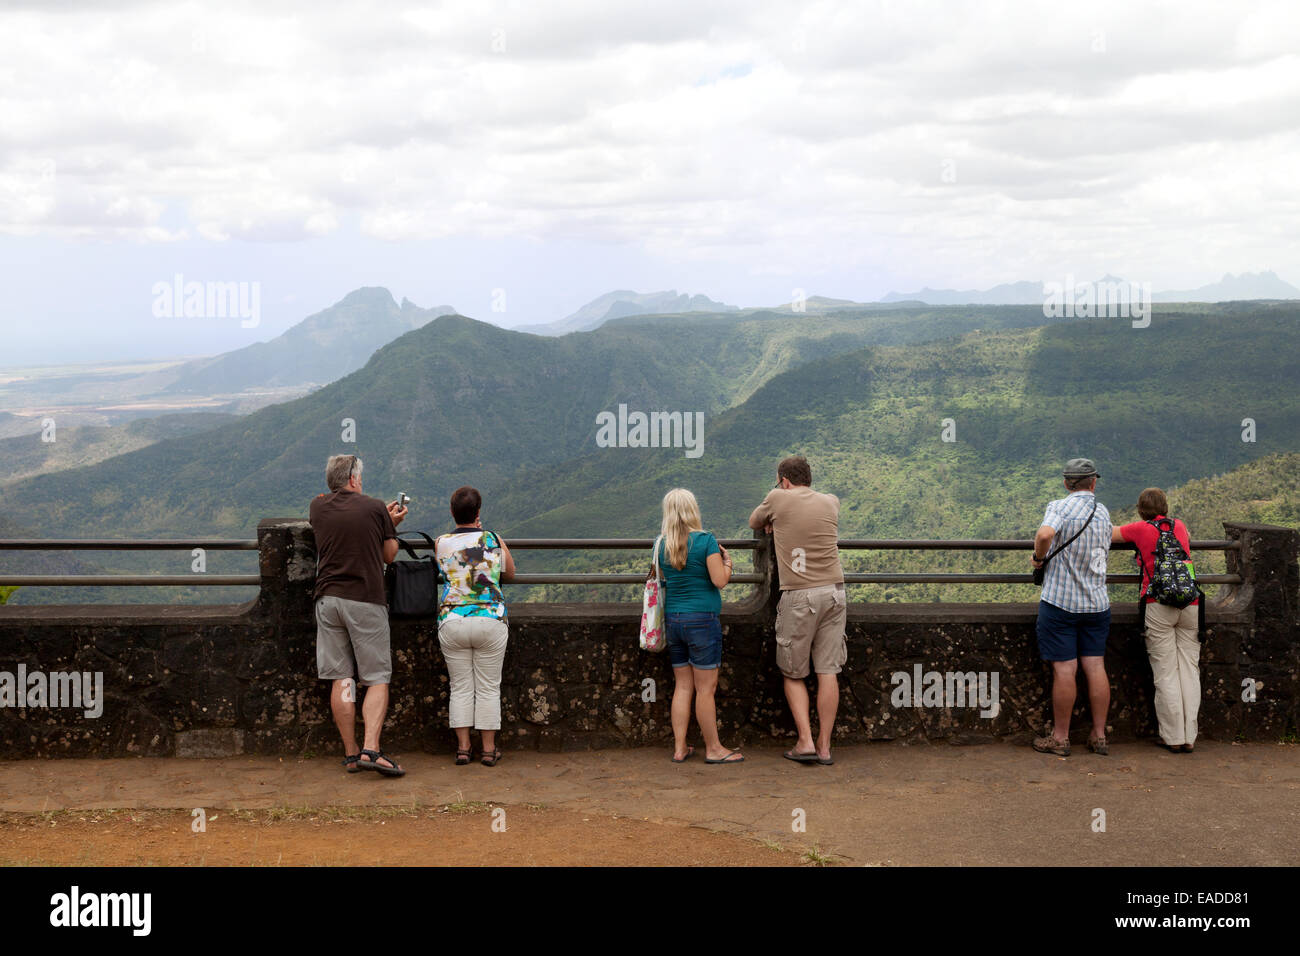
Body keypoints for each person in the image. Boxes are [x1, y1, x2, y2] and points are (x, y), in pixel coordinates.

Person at [309, 453, 408, 777]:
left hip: (328, 600)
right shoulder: (375, 507)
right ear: (353, 479)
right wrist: (388, 525)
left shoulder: (317, 507)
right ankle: (371, 749)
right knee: (376, 677)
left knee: (343, 677)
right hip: (364, 599)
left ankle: (351, 754)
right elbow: (389, 555)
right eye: (360, 478)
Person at [748, 455, 845, 766]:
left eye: (780, 483)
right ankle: (825, 746)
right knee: (828, 670)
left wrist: (774, 515)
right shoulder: (831, 502)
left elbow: (754, 521)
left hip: (800, 595)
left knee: (793, 672)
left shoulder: (778, 498)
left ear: (784, 481)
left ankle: (804, 742)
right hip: (834, 593)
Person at [1030, 458, 1113, 757]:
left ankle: (1061, 738)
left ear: (1067, 483)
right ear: (1093, 482)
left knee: (1065, 669)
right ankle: (1099, 735)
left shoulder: (1060, 507)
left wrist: (1040, 558)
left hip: (1061, 603)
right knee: (1095, 666)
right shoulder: (1102, 512)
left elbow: (1044, 535)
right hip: (1096, 603)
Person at [656, 488, 744, 765]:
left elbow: (664, 579)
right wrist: (728, 563)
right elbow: (719, 580)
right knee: (706, 688)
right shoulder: (705, 540)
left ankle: (680, 748)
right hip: (702, 621)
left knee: (683, 686)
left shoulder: (661, 545)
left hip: (674, 620)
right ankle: (714, 748)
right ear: (693, 510)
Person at [1112, 488, 1200, 753]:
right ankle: (1190, 737)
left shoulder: (1140, 529)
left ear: (1140, 509)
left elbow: (1109, 533)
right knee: (1189, 670)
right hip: (1191, 603)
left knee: (1166, 673)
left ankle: (1173, 738)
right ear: (1166, 507)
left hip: (1158, 604)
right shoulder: (1180, 526)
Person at [434, 486, 515, 766]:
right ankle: (489, 750)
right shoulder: (491, 538)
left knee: (460, 687)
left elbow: (443, 570)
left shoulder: (441, 542)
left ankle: (464, 748)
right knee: (489, 687)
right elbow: (510, 571)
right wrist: (491, 535)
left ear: (451, 513)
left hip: (453, 621)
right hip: (490, 619)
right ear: (478, 513)